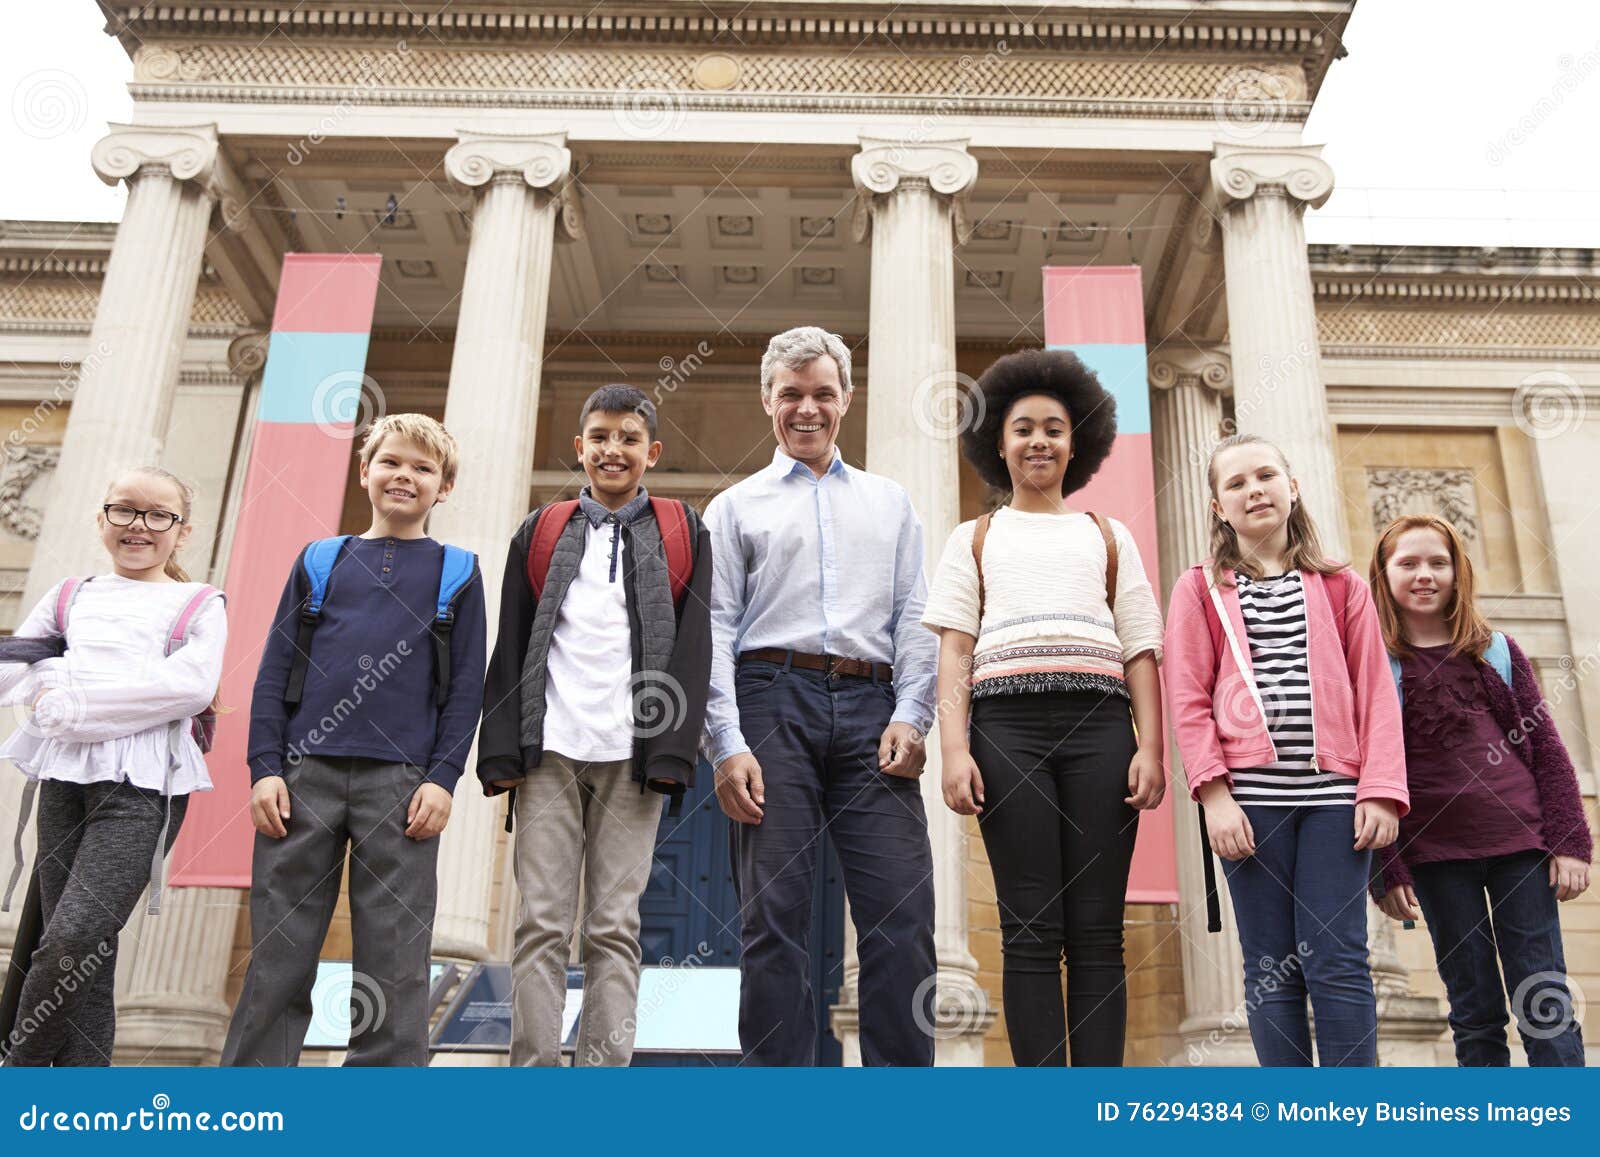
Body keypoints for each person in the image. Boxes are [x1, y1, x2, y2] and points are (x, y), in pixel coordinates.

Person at [922, 349, 1165, 1067]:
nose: (1038, 441)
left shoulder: (1110, 536)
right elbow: (955, 655)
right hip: (1006, 732)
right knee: (1028, 927)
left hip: (1101, 731)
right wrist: (956, 749)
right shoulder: (973, 538)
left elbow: (1141, 651)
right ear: (998, 442)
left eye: (1054, 429)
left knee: (1098, 930)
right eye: (1023, 428)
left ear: (1075, 441)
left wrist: (1151, 747)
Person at [703, 325, 937, 1066]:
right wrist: (726, 741)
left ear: (846, 399)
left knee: (902, 912)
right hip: (770, 700)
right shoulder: (734, 506)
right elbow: (712, 626)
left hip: (874, 711)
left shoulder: (891, 501)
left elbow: (913, 615)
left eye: (822, 393)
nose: (807, 407)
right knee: (773, 917)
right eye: (791, 394)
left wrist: (912, 712)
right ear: (768, 399)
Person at [222, 414, 486, 1067]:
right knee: (280, 951)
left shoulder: (459, 571)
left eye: (423, 468)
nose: (405, 475)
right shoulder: (320, 558)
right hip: (302, 774)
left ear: (444, 487)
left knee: (394, 958)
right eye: (391, 461)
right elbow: (274, 669)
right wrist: (264, 767)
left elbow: (466, 689)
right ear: (363, 470)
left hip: (401, 785)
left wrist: (442, 779)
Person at [476, 384, 712, 1067]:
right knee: (541, 923)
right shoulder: (541, 529)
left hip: (631, 757)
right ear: (580, 447)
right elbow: (512, 641)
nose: (614, 449)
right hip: (548, 751)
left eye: (629, 438)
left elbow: (694, 643)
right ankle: (534, 1075)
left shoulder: (681, 528)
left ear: (652, 452)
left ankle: (602, 1080)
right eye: (601, 437)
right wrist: (501, 753)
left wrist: (674, 749)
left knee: (614, 926)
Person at [1163, 432, 1406, 1067]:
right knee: (1271, 967)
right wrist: (1214, 797)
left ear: (1291, 487)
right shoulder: (1200, 591)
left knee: (1339, 958)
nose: (1254, 490)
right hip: (1249, 807)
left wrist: (1380, 790)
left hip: (1334, 804)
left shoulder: (1340, 586)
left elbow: (1377, 692)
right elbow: (1185, 696)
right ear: (1218, 506)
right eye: (1236, 483)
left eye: (1265, 475)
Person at [0, 466, 226, 1066]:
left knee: (74, 937)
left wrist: (70, 697)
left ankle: (16, 1072)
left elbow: (185, 689)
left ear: (182, 531)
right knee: (87, 957)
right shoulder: (71, 595)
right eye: (124, 510)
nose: (139, 526)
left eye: (158, 516)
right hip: (62, 784)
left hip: (141, 793)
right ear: (102, 518)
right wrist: (59, 683)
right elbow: (11, 670)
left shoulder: (198, 603)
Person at [1370, 513, 1589, 1066]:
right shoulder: (1375, 665)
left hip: (1521, 846)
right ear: (1384, 573)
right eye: (1409, 563)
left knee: (1543, 995)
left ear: (1458, 572)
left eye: (1438, 563)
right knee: (1473, 1005)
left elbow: (1548, 752)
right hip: (1435, 856)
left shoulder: (1495, 650)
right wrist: (1386, 867)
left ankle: (1569, 1129)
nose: (1425, 575)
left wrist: (1569, 842)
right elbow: (1367, 775)